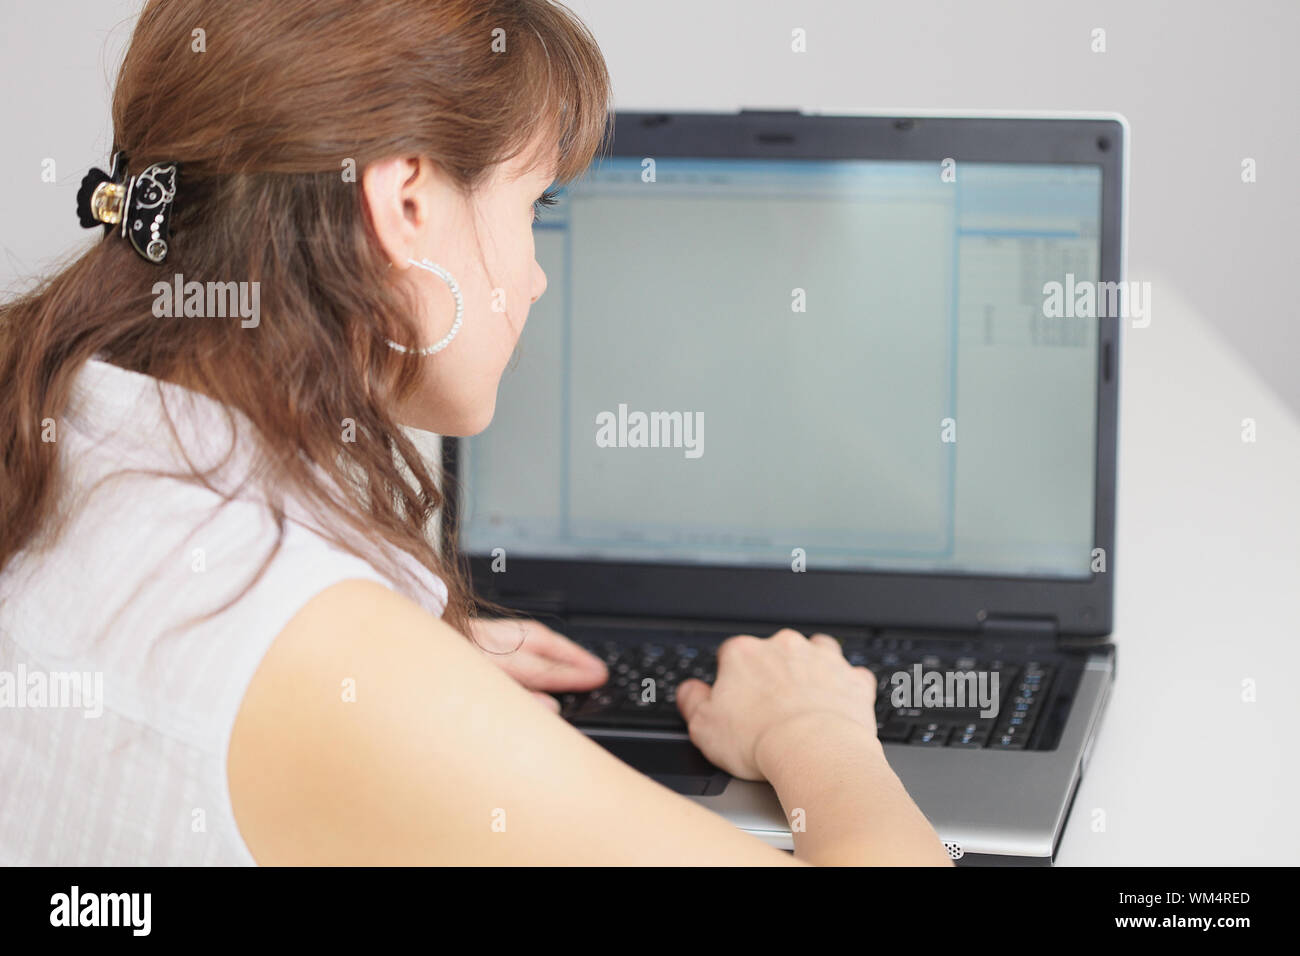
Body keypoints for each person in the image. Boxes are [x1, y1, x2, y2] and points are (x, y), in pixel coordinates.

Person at [0, 0, 951, 866]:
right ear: (406, 205)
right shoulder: (321, 654)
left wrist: (421, 658)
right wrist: (816, 733)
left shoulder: (53, 433)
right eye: (534, 205)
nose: (536, 278)